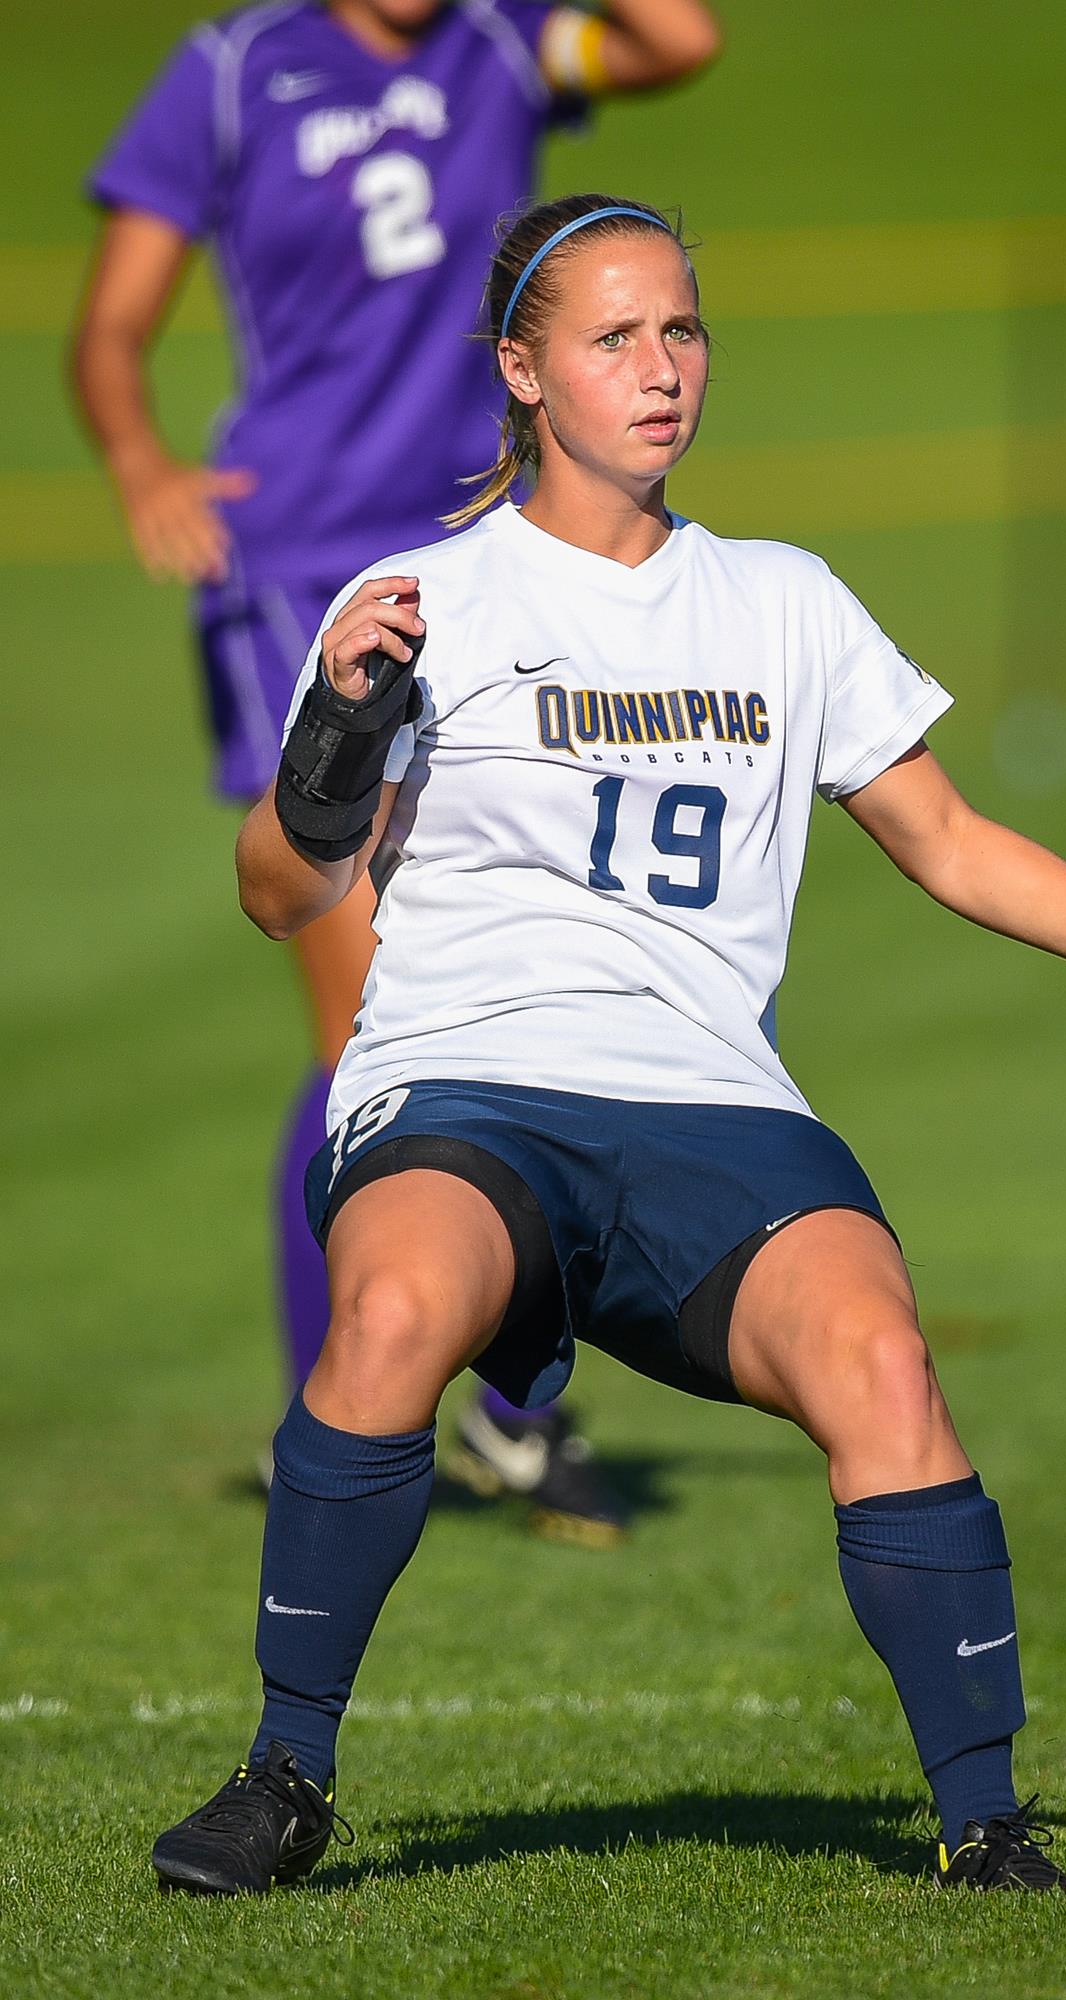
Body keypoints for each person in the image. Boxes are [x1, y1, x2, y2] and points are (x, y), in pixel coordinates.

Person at [147, 194, 1066, 1899]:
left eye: (683, 330)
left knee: (884, 1366)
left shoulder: (782, 601)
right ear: (523, 371)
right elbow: (276, 891)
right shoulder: (429, 603)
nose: (661, 368)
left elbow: (950, 837)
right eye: (614, 337)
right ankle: (283, 1778)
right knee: (392, 1313)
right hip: (464, 1080)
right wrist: (331, 725)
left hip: (708, 1102)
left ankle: (986, 1825)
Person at [71, 0, 721, 1543]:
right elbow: (110, 326)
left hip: (492, 561)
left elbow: (678, 38)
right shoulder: (235, 73)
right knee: (370, 1005)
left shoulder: (503, 46)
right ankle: (402, 1411)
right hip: (301, 569)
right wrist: (143, 458)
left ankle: (478, 1397)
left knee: (516, 973)